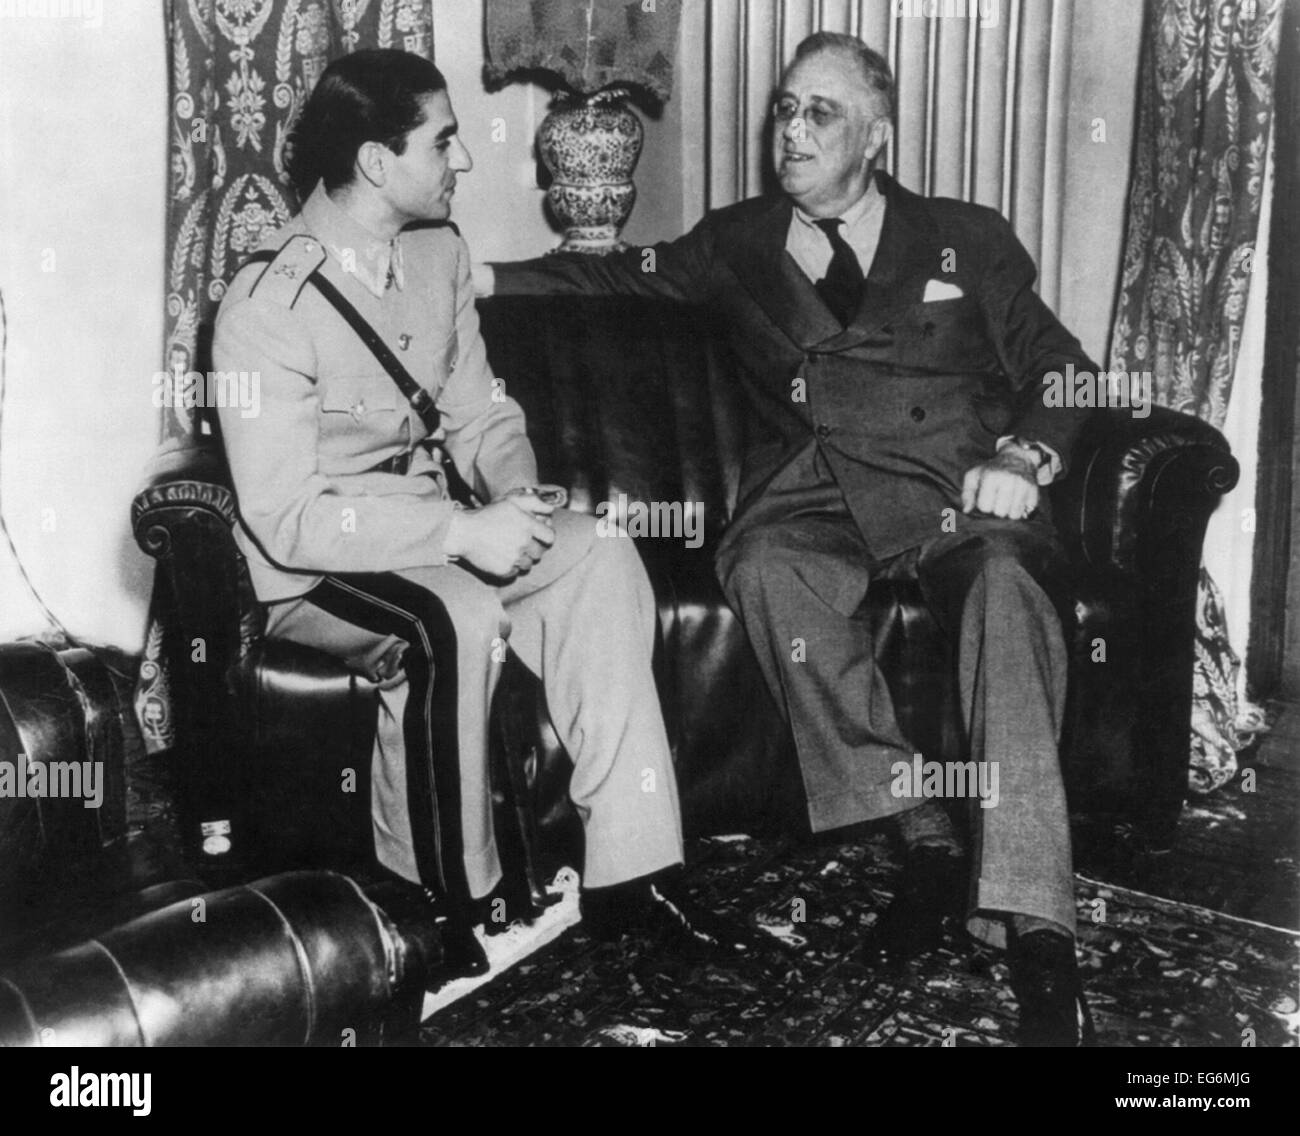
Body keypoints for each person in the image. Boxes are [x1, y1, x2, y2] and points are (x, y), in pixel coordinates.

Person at [484, 31, 1097, 1045]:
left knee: (1004, 589)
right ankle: (920, 829)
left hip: (957, 493)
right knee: (765, 565)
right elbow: (618, 275)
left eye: (821, 113)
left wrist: (1026, 458)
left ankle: (1037, 935)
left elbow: (1064, 371)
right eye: (784, 110)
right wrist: (467, 274)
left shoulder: (966, 241)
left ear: (879, 135)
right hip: (812, 502)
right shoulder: (736, 241)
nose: (791, 131)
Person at [212, 49, 754, 984]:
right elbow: (285, 516)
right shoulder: (266, 304)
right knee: (454, 619)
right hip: (317, 561)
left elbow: (482, 413)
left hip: (432, 529)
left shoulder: (439, 254)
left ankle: (632, 871)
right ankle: (442, 908)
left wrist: (511, 490)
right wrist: (464, 535)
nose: (464, 162)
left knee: (598, 555)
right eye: (445, 141)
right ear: (378, 164)